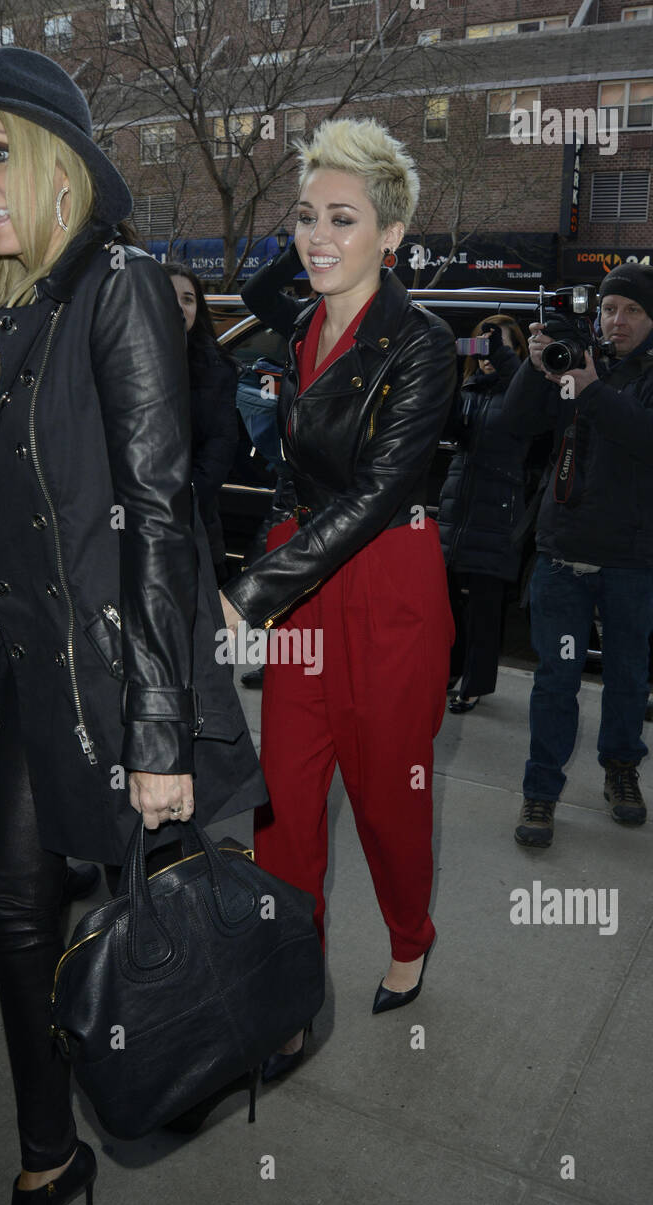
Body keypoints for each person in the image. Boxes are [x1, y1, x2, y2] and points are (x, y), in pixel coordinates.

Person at [0, 45, 265, 1205]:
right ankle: (51, 1160)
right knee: (11, 916)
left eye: (0, 150)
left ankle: (72, 1147)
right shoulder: (15, 311)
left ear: (61, 166)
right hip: (38, 677)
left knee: (102, 924)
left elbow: (160, 515)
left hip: (115, 689)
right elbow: (6, 492)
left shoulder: (122, 291)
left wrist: (162, 736)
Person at [218, 117, 457, 1075]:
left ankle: (411, 935)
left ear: (393, 234)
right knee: (283, 803)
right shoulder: (302, 313)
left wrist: (248, 596)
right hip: (302, 580)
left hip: (386, 580)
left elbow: (373, 496)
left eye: (344, 219)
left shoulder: (424, 344)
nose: (317, 237)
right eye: (306, 216)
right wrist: (275, 581)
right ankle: (291, 988)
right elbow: (261, 285)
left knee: (389, 797)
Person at [500, 263, 653, 847]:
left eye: (633, 311)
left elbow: (644, 436)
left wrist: (590, 391)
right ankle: (540, 791)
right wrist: (538, 369)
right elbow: (515, 424)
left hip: (633, 559)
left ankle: (620, 770)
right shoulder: (575, 361)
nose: (618, 320)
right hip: (563, 553)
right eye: (611, 308)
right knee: (555, 681)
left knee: (627, 678)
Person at [438, 315, 530, 712]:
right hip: (459, 507)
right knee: (448, 600)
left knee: (486, 604)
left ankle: (475, 683)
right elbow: (451, 431)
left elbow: (523, 417)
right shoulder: (470, 388)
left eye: (499, 344)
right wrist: (444, 378)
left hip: (499, 510)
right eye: (481, 343)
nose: (488, 351)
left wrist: (504, 357)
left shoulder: (525, 392)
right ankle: (452, 672)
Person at [163, 261, 239, 586]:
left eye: (188, 299)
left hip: (194, 524)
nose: (180, 307)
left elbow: (220, 448)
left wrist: (181, 501)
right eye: (168, 295)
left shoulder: (216, 368)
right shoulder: (117, 360)